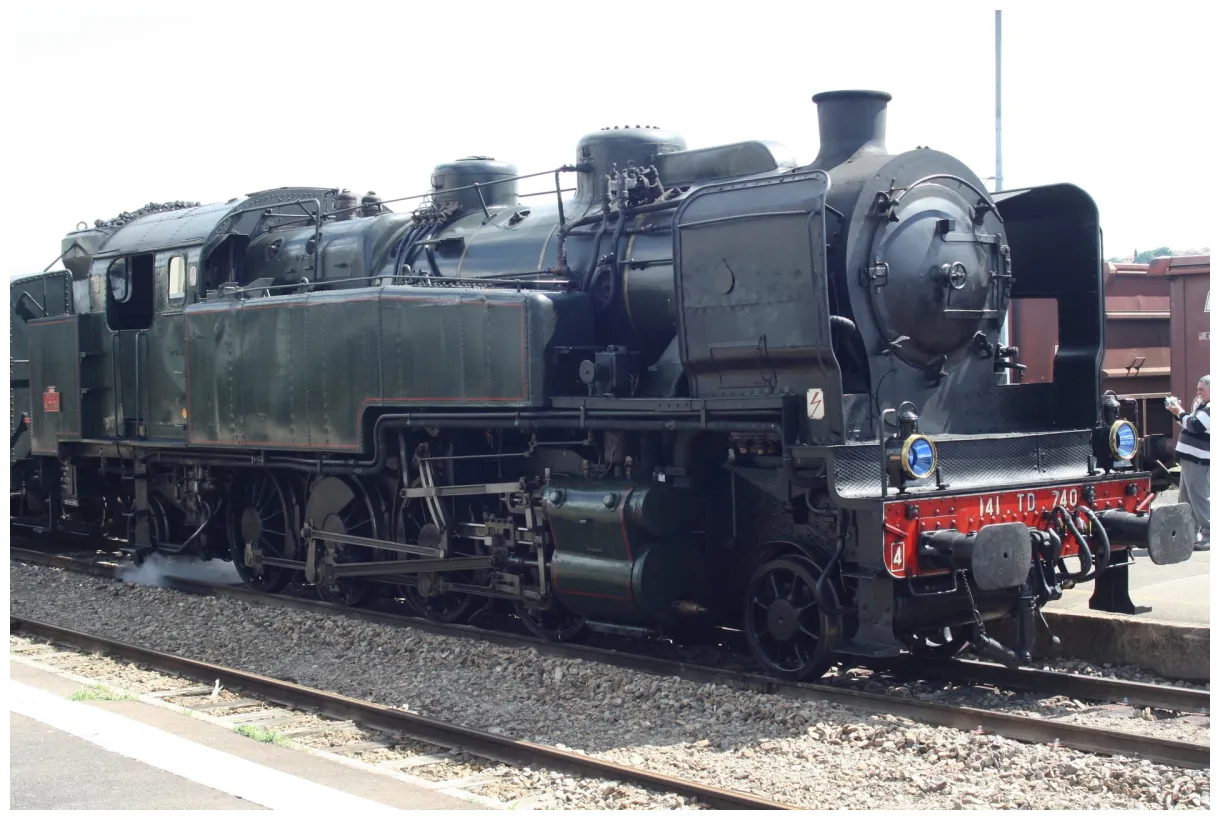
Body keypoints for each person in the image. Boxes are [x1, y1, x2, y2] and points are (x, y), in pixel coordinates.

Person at [1166, 376, 1210, 551]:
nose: (1198, 392)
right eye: (1198, 388)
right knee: (1186, 499)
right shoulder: (1203, 407)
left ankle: (1210, 535)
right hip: (1190, 459)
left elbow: (1194, 425)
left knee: (1199, 498)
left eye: (1201, 389)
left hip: (1199, 460)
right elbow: (1188, 423)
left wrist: (1179, 411)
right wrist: (1175, 411)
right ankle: (1189, 534)